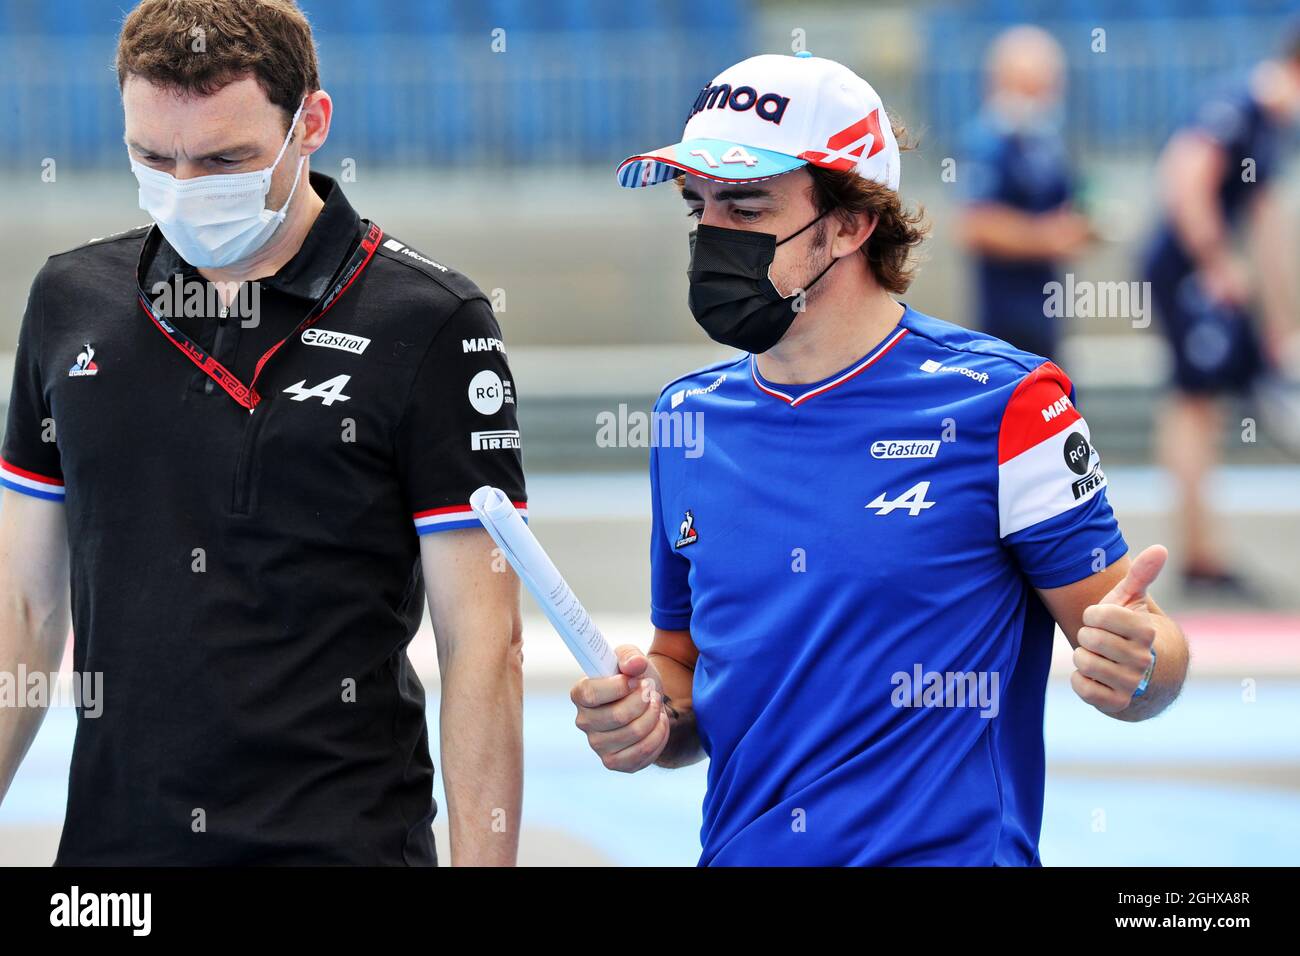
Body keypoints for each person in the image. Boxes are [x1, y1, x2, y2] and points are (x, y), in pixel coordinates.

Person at [576, 52, 1188, 865]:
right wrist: (647, 717)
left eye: (748, 207)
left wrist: (1142, 667)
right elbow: (680, 664)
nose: (713, 237)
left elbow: (1142, 640)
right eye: (700, 208)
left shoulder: (1005, 402)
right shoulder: (687, 416)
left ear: (852, 222)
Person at [0, 0, 526, 866]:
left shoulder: (431, 322)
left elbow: (482, 642)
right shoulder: (69, 301)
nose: (185, 186)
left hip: (341, 848)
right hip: (112, 863)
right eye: (151, 157)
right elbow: (23, 608)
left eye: (225, 159)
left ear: (310, 124)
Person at [1143, 31, 1300, 596]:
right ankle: (1198, 554)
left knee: (1206, 408)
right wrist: (1215, 261)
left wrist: (1280, 319)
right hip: (1189, 273)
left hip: (1216, 278)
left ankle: (1206, 548)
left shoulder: (1271, 125)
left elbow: (1266, 226)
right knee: (1193, 402)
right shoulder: (1236, 105)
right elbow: (1185, 178)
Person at [957, 25, 1091, 361]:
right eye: (1031, 88)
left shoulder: (1048, 143)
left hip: (1048, 308)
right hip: (1005, 318)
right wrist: (1046, 238)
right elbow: (975, 226)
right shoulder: (987, 143)